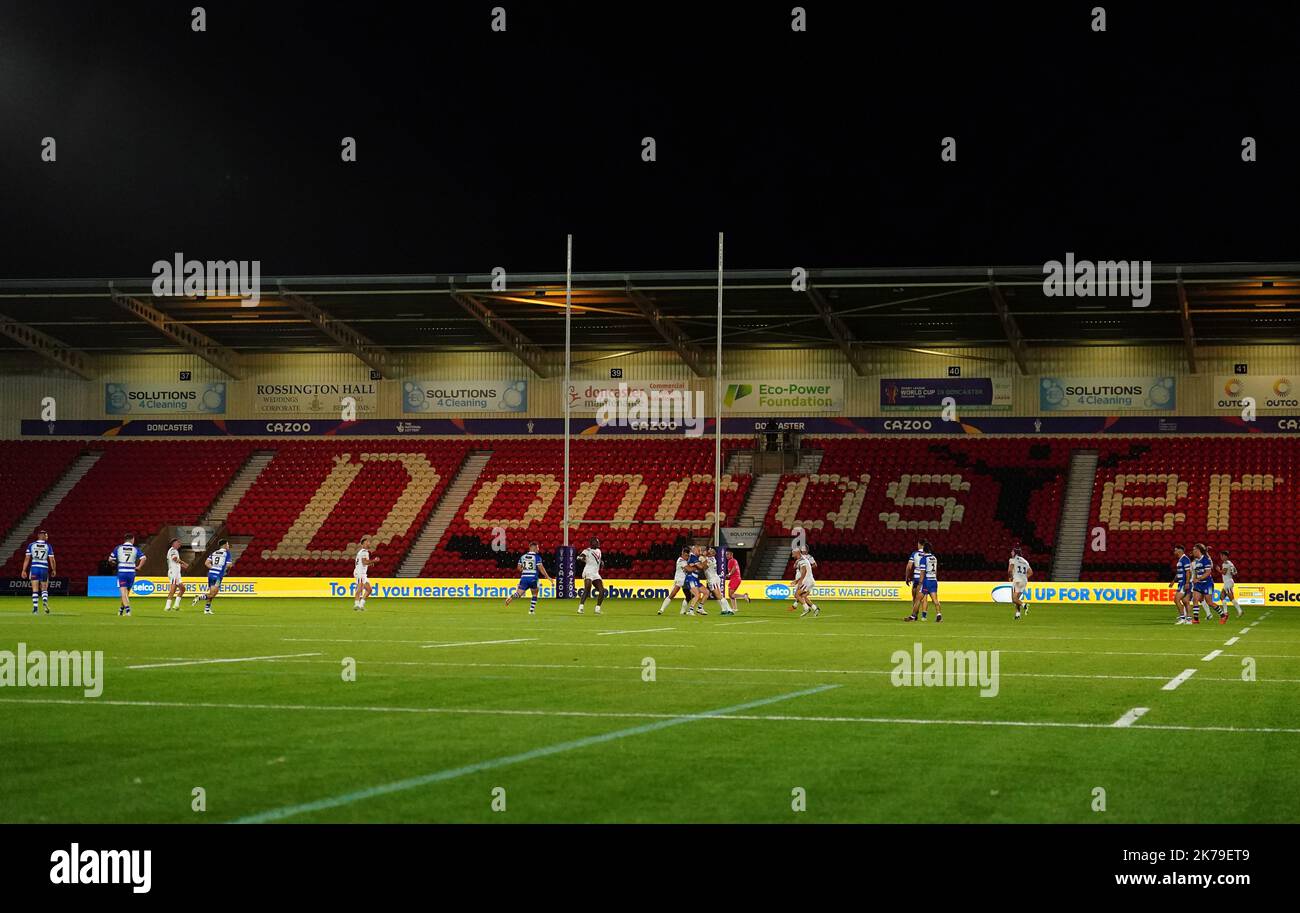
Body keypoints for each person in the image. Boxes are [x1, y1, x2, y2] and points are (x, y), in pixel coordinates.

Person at [504, 541, 551, 615]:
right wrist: (548, 577)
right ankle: (531, 610)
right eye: (538, 547)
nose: (538, 549)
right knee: (535, 593)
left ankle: (511, 597)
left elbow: (519, 568)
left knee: (519, 594)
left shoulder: (523, 557)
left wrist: (525, 570)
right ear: (534, 548)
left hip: (524, 578)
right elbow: (541, 568)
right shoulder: (537, 557)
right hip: (533, 578)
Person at [109, 533, 146, 617]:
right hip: (131, 572)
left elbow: (110, 559)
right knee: (127, 593)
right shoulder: (135, 549)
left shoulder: (118, 548)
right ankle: (121, 609)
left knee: (123, 592)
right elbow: (144, 558)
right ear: (132, 540)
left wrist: (114, 562)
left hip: (122, 571)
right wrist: (139, 567)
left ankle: (128, 610)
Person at [193, 538, 230, 615]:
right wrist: (226, 570)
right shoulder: (227, 553)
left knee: (211, 592)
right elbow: (229, 565)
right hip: (218, 575)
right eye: (228, 544)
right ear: (225, 545)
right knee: (213, 594)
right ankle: (199, 597)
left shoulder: (214, 552)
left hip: (211, 574)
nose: (228, 545)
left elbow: (206, 563)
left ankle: (207, 609)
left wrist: (213, 568)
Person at [22, 529, 55, 615]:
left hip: (34, 568)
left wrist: (24, 570)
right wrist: (54, 569)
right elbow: (52, 559)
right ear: (42, 536)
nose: (47, 537)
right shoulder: (48, 546)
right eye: (46, 535)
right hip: (44, 568)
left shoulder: (31, 545)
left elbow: (27, 558)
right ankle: (44, 601)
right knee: (44, 588)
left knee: (35, 589)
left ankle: (35, 609)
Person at [1190, 543, 1225, 624]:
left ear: (1198, 550)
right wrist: (1195, 578)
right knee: (1195, 599)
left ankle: (1223, 615)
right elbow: (1196, 571)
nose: (1193, 551)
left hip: (1207, 584)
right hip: (1199, 583)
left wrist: (1198, 579)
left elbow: (1208, 572)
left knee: (1209, 602)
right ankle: (1196, 619)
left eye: (1194, 549)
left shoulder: (1206, 560)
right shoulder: (1196, 561)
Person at [658, 546, 694, 616]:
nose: (687, 557)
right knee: (672, 595)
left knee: (689, 596)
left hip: (685, 580)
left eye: (688, 556)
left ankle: (682, 611)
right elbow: (688, 569)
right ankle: (661, 609)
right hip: (679, 580)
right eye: (685, 555)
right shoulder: (681, 560)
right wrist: (696, 566)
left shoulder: (686, 559)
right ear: (682, 554)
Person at [577, 537, 605, 615]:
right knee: (587, 589)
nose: (598, 543)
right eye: (596, 542)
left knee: (602, 591)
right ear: (592, 543)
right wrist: (581, 558)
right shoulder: (587, 551)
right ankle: (581, 607)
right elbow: (582, 556)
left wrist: (601, 562)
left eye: (598, 542)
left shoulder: (599, 551)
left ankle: (597, 608)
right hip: (588, 572)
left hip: (595, 573)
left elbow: (597, 560)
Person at [162, 537, 190, 611]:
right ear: (173, 544)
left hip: (177, 574)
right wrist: (184, 563)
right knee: (173, 589)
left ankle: (176, 606)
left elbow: (174, 562)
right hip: (173, 573)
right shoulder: (173, 550)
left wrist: (181, 566)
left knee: (183, 589)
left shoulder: (175, 551)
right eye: (178, 542)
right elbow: (174, 558)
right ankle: (167, 607)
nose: (179, 544)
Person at [793, 547, 819, 618]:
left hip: (807, 581)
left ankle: (806, 609)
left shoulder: (802, 560)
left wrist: (799, 581)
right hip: (810, 580)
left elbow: (804, 571)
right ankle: (815, 608)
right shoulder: (802, 559)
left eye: (793, 553)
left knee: (796, 595)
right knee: (803, 596)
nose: (792, 554)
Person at [1170, 545, 1193, 624]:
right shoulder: (1181, 559)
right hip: (1182, 582)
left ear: (1180, 550)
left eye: (1175, 550)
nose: (1174, 552)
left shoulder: (1185, 559)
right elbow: (1180, 572)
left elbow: (1188, 572)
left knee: (1176, 600)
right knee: (1186, 601)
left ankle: (1182, 618)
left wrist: (1187, 582)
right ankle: (1189, 619)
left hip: (1183, 583)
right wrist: (1173, 581)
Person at [1008, 547, 1033, 620]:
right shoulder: (1025, 561)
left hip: (1017, 581)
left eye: (1012, 552)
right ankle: (1018, 614)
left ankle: (1024, 605)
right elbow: (1031, 573)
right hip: (1024, 581)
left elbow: (1010, 570)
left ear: (1015, 553)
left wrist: (1010, 577)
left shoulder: (1012, 559)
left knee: (1014, 599)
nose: (1011, 553)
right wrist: (1024, 577)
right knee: (1017, 599)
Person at [723, 551, 748, 615]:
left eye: (728, 554)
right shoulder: (731, 561)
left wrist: (729, 574)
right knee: (730, 595)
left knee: (731, 594)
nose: (727, 556)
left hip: (735, 579)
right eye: (726, 554)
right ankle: (734, 608)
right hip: (734, 579)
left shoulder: (732, 560)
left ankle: (744, 596)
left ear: (731, 555)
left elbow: (734, 568)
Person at [1219, 550, 1242, 618]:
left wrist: (1218, 570)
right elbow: (1235, 572)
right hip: (1228, 582)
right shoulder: (1230, 563)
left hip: (1228, 582)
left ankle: (1239, 611)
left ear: (1225, 556)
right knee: (1222, 596)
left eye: (1222, 556)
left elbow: (1224, 572)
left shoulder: (1226, 563)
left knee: (1231, 598)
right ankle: (1225, 612)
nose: (1221, 557)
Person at [353, 535, 373, 611]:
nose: (368, 543)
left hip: (362, 573)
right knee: (360, 588)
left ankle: (361, 605)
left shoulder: (362, 552)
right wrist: (374, 561)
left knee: (369, 590)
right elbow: (364, 562)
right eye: (366, 542)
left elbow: (363, 562)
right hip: (360, 573)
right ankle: (356, 604)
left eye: (369, 542)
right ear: (363, 545)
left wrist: (370, 563)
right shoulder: (364, 552)